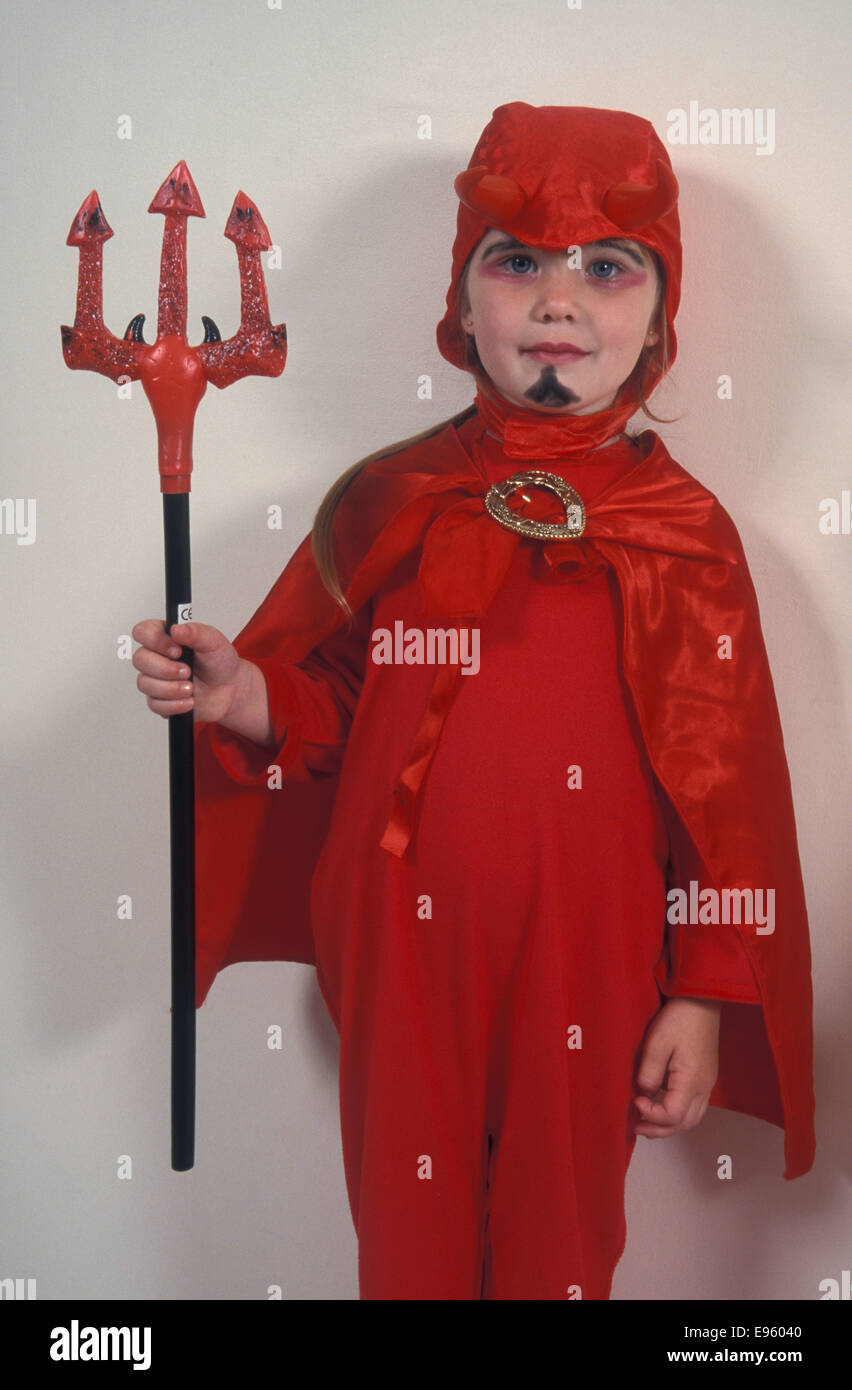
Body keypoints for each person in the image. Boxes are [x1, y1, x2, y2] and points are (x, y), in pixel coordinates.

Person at [131, 103, 815, 1300]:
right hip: (399, 937)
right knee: (408, 1245)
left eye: (608, 267)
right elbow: (334, 711)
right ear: (461, 298)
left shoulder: (686, 536)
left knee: (561, 1247)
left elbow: (729, 794)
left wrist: (704, 989)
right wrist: (242, 693)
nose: (560, 303)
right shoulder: (391, 499)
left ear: (661, 310)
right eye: (518, 262)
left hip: (591, 952)